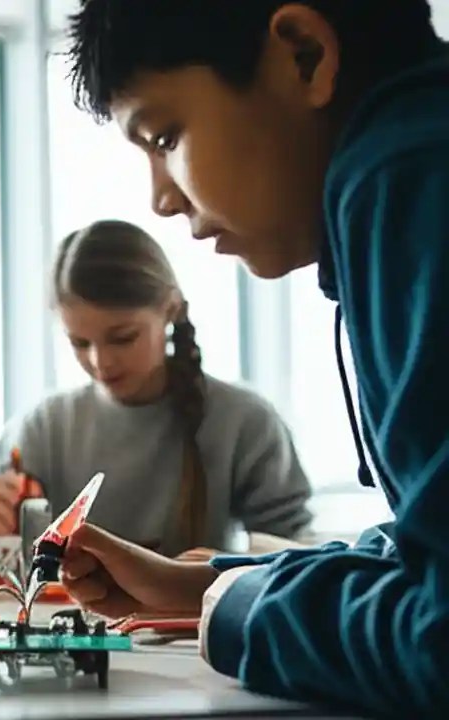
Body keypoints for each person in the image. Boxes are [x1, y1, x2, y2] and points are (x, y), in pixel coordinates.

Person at [54, 1, 449, 714]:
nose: (160, 200)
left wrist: (243, 611)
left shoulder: (409, 175)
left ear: (304, 55)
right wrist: (211, 583)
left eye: (166, 135)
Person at [0, 220, 312, 559]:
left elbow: (292, 551)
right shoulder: (43, 426)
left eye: (123, 338)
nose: (100, 362)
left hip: (197, 614)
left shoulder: (244, 421)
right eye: (79, 343)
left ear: (170, 310)